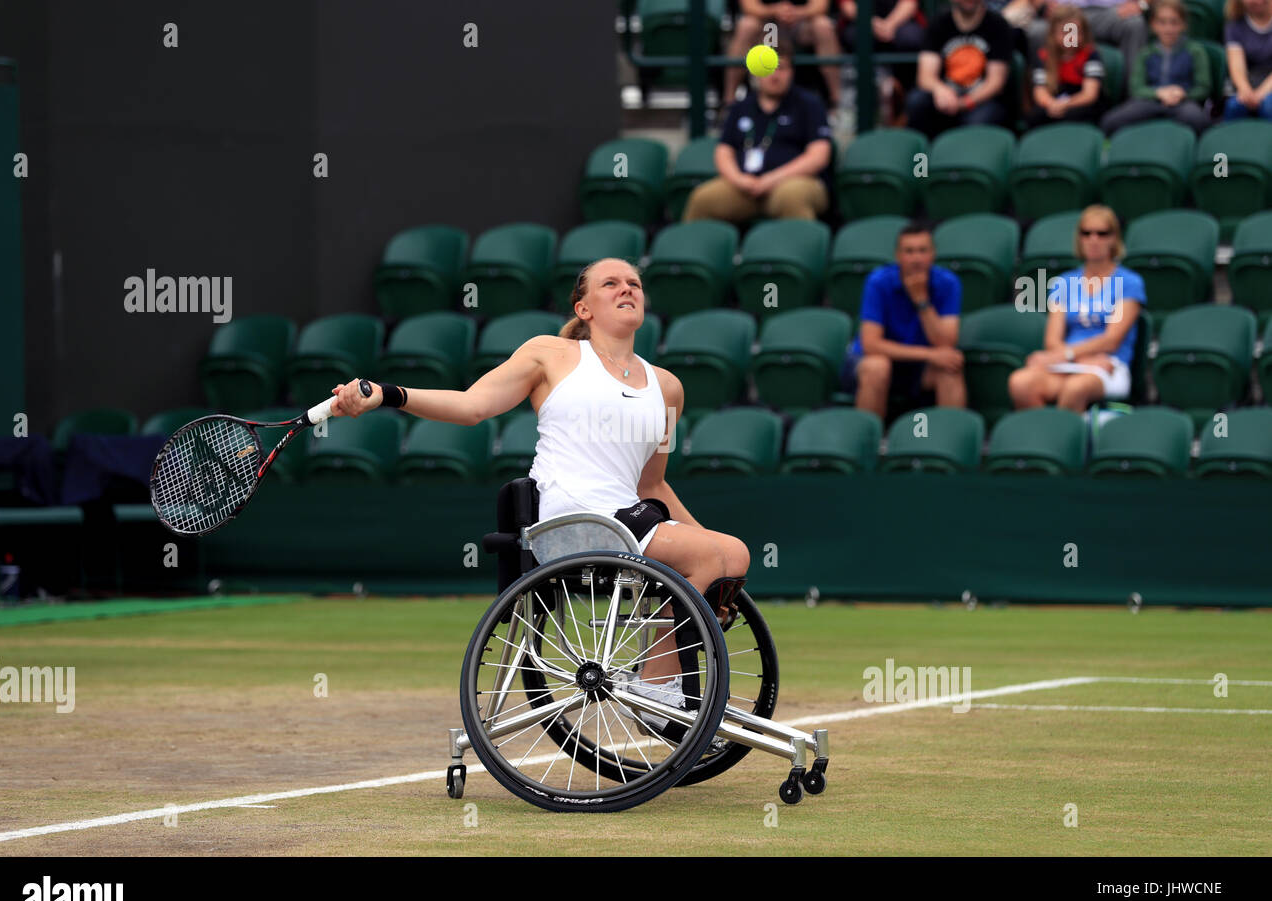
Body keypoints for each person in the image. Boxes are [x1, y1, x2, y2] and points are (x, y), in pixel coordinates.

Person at [329, 258, 751, 716]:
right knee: (711, 557)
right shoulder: (550, 354)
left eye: (634, 283)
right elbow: (472, 406)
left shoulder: (668, 388)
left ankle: (659, 680)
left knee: (733, 554)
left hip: (627, 519)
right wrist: (391, 394)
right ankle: (659, 687)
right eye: (610, 284)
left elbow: (652, 482)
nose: (626, 289)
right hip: (569, 518)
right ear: (583, 307)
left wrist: (708, 542)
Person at [1007, 205, 1145, 412]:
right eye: (1086, 233)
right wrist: (1078, 359)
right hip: (1070, 363)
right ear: (1079, 238)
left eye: (1102, 233)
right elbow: (1052, 340)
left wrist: (1069, 356)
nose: (1094, 239)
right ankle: (1043, 440)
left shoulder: (1129, 282)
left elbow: (1111, 340)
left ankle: (1065, 442)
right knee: (1020, 382)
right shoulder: (1063, 282)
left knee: (1075, 388)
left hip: (1109, 365)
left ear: (1114, 238)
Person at [684, 35, 833, 223]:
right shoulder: (740, 107)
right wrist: (739, 179)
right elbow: (723, 151)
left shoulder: (809, 104)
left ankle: (802, 250)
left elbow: (819, 156)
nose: (775, 75)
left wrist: (771, 179)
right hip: (745, 187)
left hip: (795, 181)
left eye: (781, 68)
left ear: (791, 71)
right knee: (703, 198)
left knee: (791, 196)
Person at [842, 224, 966, 421]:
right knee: (877, 367)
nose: (916, 258)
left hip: (919, 366)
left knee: (950, 364)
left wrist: (922, 301)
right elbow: (871, 344)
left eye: (922, 251)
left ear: (933, 254)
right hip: (873, 362)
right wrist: (929, 354)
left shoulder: (948, 283)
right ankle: (868, 443)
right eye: (909, 251)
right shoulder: (878, 282)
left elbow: (946, 342)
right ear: (898, 255)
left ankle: (951, 439)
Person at [1099, 0, 1212, 134]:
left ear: (1183, 25)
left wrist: (1183, 94)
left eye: (1174, 22)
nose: (1168, 28)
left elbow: (1203, 87)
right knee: (1110, 121)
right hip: (1150, 101)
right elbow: (1136, 88)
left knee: (1198, 120)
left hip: (1183, 102)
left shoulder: (1195, 51)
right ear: (1153, 25)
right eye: (1162, 22)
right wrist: (1158, 93)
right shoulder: (1146, 52)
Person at [906, 0, 1014, 136]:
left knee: (981, 119)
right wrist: (940, 90)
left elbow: (995, 83)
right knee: (917, 101)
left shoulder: (998, 25)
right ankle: (921, 155)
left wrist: (965, 103)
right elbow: (925, 77)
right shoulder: (938, 23)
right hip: (945, 98)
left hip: (981, 101)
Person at [723, 1, 843, 110]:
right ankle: (729, 103)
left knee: (823, 25)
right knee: (747, 25)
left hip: (801, 25)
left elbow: (820, 6)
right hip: (766, 24)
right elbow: (749, 7)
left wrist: (796, 13)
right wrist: (775, 10)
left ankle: (838, 102)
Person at [1024, 1, 1150, 79]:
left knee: (1134, 24)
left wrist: (1141, 3)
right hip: (1063, 13)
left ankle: (1133, 97)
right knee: (1037, 31)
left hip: (1114, 12)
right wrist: (1043, 5)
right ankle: (1049, 96)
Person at [1026, 4, 1106, 125]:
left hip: (1080, 102)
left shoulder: (1090, 55)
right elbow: (1039, 91)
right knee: (1035, 116)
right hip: (1054, 101)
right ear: (1053, 34)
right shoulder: (1044, 56)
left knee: (1074, 115)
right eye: (1065, 33)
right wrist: (1052, 104)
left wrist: (1065, 104)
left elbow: (1090, 94)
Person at [1224, 0, 1272, 119]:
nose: (1257, 1)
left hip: (1269, 85)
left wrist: (1261, 93)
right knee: (1234, 106)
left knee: (1268, 106)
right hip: (1250, 83)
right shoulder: (1234, 27)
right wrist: (1246, 91)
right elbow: (1237, 67)